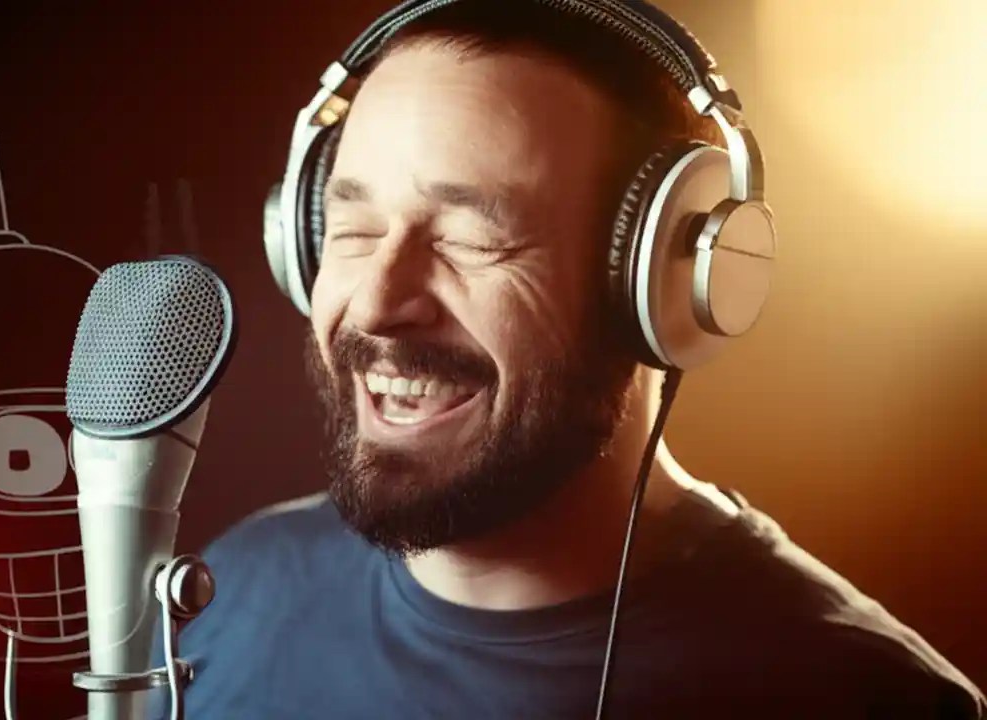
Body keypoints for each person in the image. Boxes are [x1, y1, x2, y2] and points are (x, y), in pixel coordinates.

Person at [148, 1, 985, 717]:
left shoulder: (866, 697)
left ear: (660, 284)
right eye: (354, 230)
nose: (375, 304)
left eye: (475, 238)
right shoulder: (227, 594)